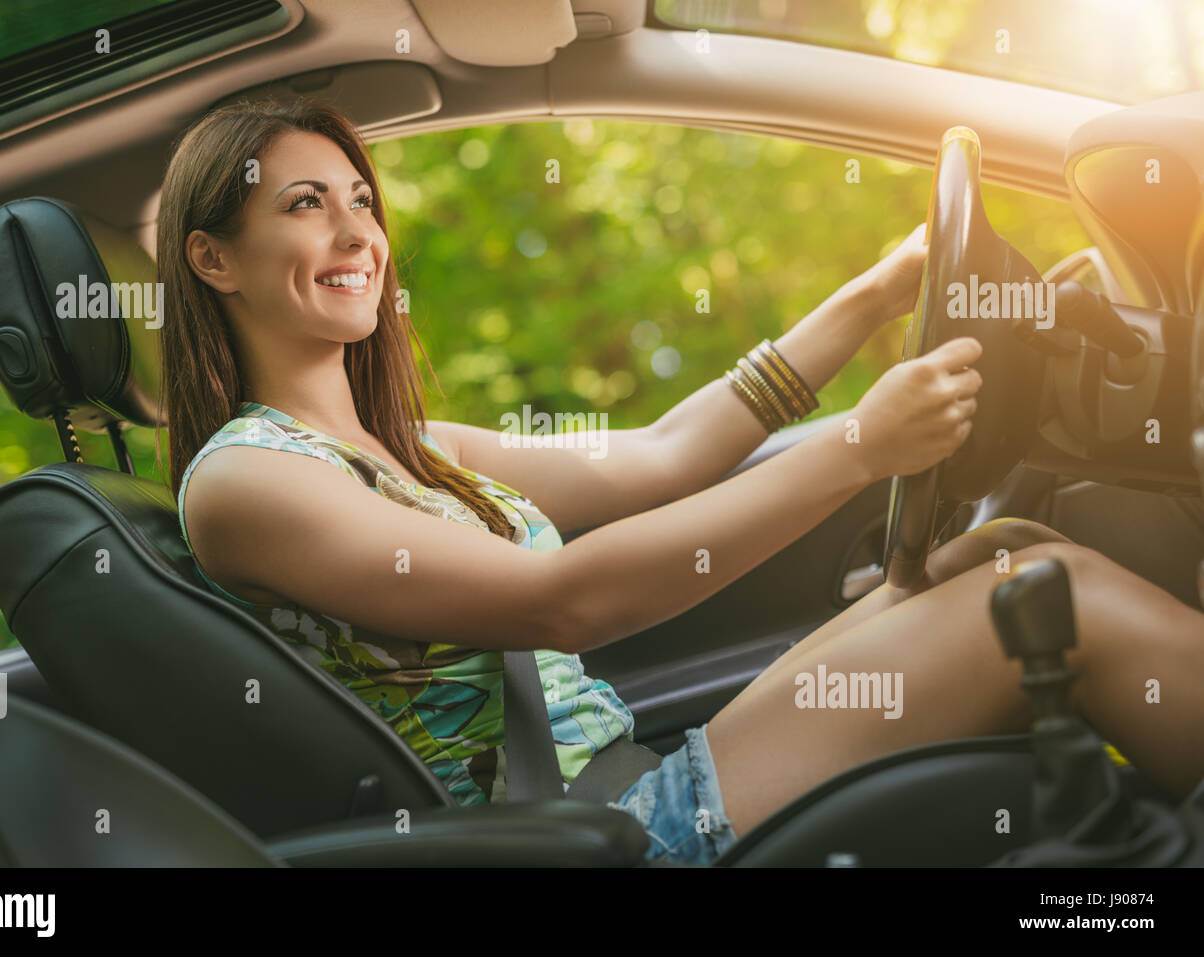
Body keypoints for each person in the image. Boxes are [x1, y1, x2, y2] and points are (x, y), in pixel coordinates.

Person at [159, 99, 1204, 865]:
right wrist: (863, 448)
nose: (356, 236)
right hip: (599, 841)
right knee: (1051, 613)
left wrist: (876, 294)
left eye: (359, 201)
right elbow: (563, 602)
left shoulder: (409, 445)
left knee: (1003, 553)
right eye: (306, 205)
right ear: (213, 260)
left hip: (615, 792)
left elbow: (661, 455)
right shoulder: (243, 481)